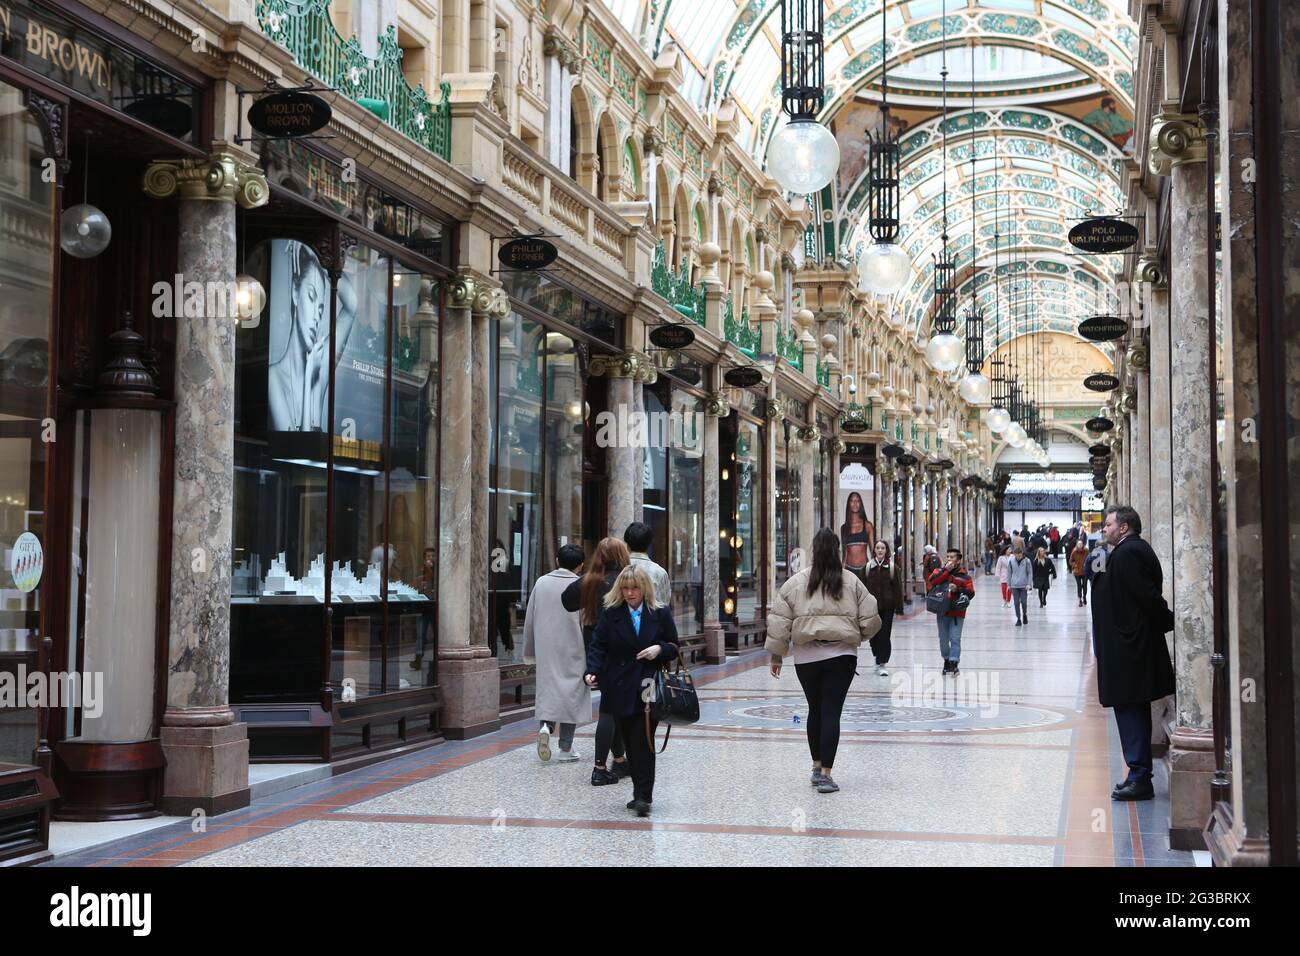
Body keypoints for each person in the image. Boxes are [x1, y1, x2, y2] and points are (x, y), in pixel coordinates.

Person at [766, 528, 880, 794]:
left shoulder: (797, 582)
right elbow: (871, 617)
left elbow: (780, 619)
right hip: (841, 656)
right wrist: (856, 636)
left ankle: (816, 766)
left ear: (815, 551)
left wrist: (777, 654)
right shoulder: (851, 582)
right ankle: (827, 774)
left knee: (815, 710)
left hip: (806, 657)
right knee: (831, 712)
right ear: (838, 550)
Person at [1090, 506, 1175, 801]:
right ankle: (1138, 774)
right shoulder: (1126, 552)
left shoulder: (1130, 553)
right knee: (1131, 710)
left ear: (1124, 527)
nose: (1104, 529)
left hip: (1131, 651)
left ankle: (1139, 776)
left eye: (1109, 524)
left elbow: (1146, 596)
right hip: (1128, 648)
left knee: (1130, 710)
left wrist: (1168, 620)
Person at [584, 565, 678, 817]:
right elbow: (598, 646)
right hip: (618, 686)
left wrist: (658, 649)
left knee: (643, 740)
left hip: (648, 687)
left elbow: (674, 646)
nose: (629, 593)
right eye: (625, 588)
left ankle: (643, 796)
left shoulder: (659, 613)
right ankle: (639, 791)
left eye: (634, 588)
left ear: (644, 588)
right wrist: (591, 670)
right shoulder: (611, 613)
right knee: (629, 740)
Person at [562, 536, 631, 785]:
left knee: (614, 706)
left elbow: (566, 601)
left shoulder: (591, 581)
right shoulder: (626, 581)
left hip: (596, 651)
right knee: (611, 710)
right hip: (623, 652)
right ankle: (600, 768)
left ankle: (620, 761)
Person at [523, 544, 590, 763]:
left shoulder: (541, 582)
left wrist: (530, 650)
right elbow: (586, 620)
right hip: (574, 647)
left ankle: (545, 727)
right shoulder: (582, 585)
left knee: (548, 690)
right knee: (572, 694)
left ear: (557, 560)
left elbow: (530, 618)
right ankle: (565, 748)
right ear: (581, 565)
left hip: (546, 647)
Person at [927, 548, 975, 675]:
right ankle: (946, 659)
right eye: (948, 556)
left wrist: (957, 589)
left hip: (957, 613)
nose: (949, 559)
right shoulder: (939, 571)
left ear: (958, 560)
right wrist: (946, 571)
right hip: (942, 611)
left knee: (955, 638)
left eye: (952, 557)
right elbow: (933, 581)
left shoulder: (964, 576)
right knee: (943, 640)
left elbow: (971, 592)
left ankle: (954, 663)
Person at [863, 540, 903, 677]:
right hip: (871, 608)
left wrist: (899, 609)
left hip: (888, 607)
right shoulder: (867, 567)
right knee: (873, 635)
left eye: (883, 548)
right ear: (874, 550)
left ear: (886, 550)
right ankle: (877, 655)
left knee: (884, 635)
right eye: (878, 548)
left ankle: (882, 662)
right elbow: (861, 589)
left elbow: (898, 589)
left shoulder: (893, 568)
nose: (880, 550)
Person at [624, 521, 670, 610]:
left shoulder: (621, 568)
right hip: (653, 622)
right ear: (649, 544)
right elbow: (664, 604)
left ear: (627, 544)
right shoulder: (660, 572)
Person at [409, 547, 436, 673]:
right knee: (421, 634)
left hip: (434, 607)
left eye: (432, 556)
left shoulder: (437, 571)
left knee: (437, 634)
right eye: (428, 556)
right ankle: (418, 658)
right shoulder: (421, 571)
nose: (430, 558)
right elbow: (416, 584)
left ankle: (437, 658)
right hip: (423, 606)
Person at [840, 491, 875, 584]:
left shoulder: (868, 526)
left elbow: (873, 551)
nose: (855, 504)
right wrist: (841, 572)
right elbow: (845, 554)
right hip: (848, 569)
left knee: (864, 597)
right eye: (852, 501)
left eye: (857, 501)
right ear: (849, 504)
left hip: (864, 569)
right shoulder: (844, 528)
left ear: (861, 504)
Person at [1006, 544, 1033, 626]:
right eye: (1016, 555)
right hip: (1014, 585)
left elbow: (1030, 573)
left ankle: (1024, 614)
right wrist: (1008, 585)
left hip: (1024, 585)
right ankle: (1018, 618)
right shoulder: (1011, 561)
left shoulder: (1027, 561)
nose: (1018, 556)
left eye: (1019, 555)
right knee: (1016, 603)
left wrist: (1029, 584)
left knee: (1024, 602)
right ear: (1014, 554)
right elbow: (1009, 573)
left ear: (1022, 554)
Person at [1069, 537, 1090, 606]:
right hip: (1077, 571)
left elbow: (1089, 558)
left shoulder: (1086, 550)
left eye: (1081, 544)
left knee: (1084, 585)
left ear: (1083, 544)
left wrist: (1087, 565)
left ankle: (1084, 596)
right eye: (1079, 544)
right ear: (1077, 545)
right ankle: (1080, 599)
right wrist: (1074, 566)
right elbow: (1071, 561)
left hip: (1085, 571)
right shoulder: (1074, 551)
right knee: (1079, 585)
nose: (1080, 545)